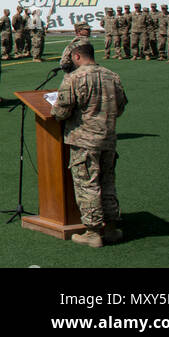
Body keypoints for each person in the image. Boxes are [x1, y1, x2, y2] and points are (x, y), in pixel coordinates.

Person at [50, 37, 128, 247]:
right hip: (108, 139)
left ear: (77, 56)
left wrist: (56, 111)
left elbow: (61, 111)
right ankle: (111, 227)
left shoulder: (74, 78)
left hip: (84, 140)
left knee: (88, 184)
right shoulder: (112, 76)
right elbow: (120, 106)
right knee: (108, 182)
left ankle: (93, 232)